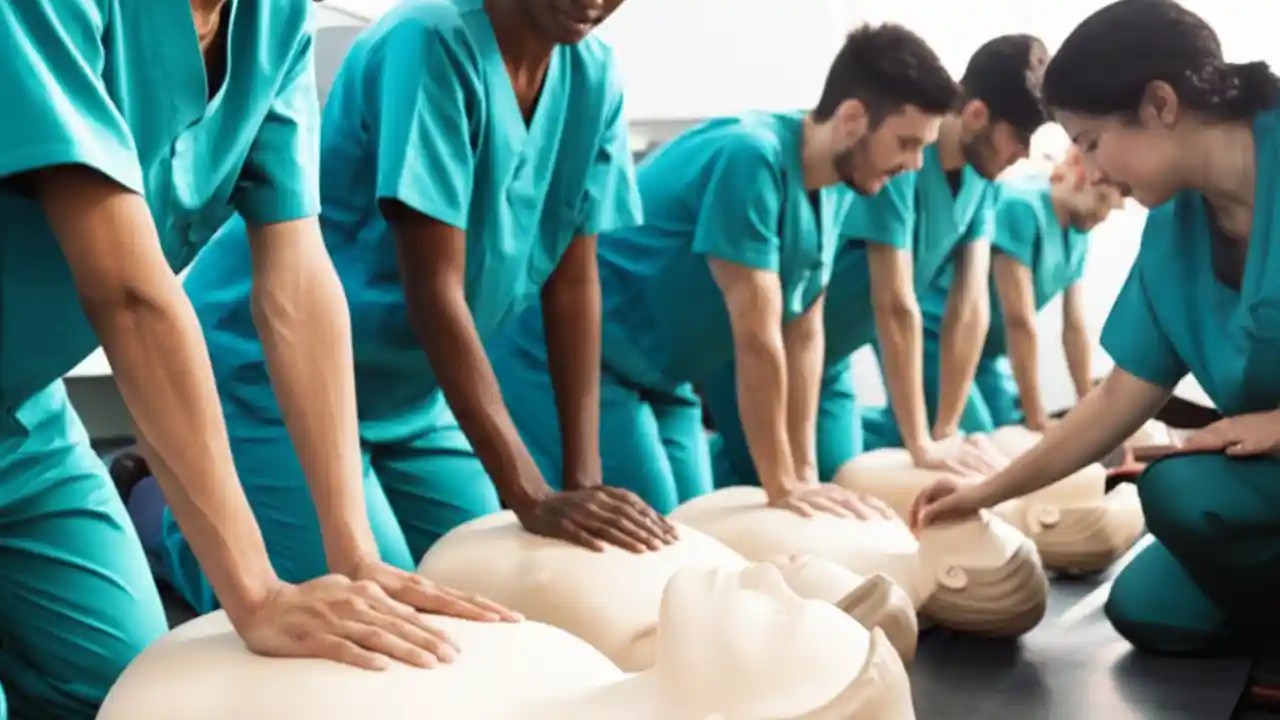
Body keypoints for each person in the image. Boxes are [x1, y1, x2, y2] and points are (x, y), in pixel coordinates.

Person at [0, 1, 517, 717]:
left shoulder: (273, 20)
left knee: (131, 691)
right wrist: (255, 590)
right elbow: (128, 295)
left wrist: (355, 552)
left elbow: (297, 281)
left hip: (23, 419)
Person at [148, 0, 676, 618]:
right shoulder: (429, 41)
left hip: (411, 396)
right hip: (270, 371)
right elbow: (434, 290)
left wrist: (580, 476)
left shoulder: (592, 76)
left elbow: (573, 283)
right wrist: (526, 491)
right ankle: (163, 516)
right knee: (358, 606)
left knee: (495, 594)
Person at [912, 0, 1280, 656]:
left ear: (1160, 104)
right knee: (1148, 607)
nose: (1094, 171)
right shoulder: (1175, 232)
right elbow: (1115, 401)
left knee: (1180, 493)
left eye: (1091, 142)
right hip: (1264, 483)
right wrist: (984, 494)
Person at [487, 24, 959, 517]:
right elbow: (757, 337)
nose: (913, 164)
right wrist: (781, 485)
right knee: (655, 532)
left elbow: (803, 331)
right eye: (907, 143)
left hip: (667, 376)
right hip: (570, 358)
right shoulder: (750, 157)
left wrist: (804, 474)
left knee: (699, 522)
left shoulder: (841, 184)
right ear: (853, 118)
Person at [707, 35, 1051, 489]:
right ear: (976, 115)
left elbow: (969, 310)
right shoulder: (893, 161)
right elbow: (896, 305)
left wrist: (944, 431)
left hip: (827, 361)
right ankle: (715, 450)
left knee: (841, 481)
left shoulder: (981, 181)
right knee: (775, 484)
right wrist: (920, 443)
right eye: (1021, 137)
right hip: (762, 348)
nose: (1025, 154)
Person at [922, 150, 1122, 434]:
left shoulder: (1078, 232)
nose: (1103, 215)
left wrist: (1087, 411)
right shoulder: (1021, 206)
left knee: (1007, 429)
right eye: (1102, 200)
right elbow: (1019, 320)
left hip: (985, 356)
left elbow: (1074, 328)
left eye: (1112, 208)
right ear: (1079, 175)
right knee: (983, 439)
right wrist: (1036, 417)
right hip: (939, 338)